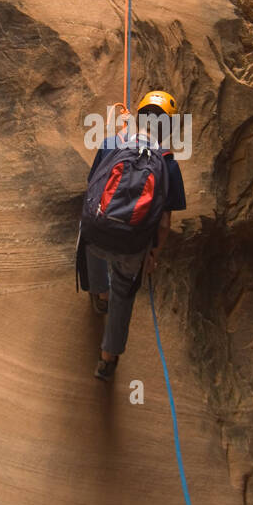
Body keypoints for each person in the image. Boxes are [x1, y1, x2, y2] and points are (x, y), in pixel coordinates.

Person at [76, 90, 187, 381]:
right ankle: (107, 360)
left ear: (139, 116)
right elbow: (163, 223)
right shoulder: (168, 165)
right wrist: (153, 255)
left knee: (89, 233)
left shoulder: (112, 142)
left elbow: (93, 188)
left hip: (97, 234)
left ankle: (99, 295)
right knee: (123, 295)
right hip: (131, 245)